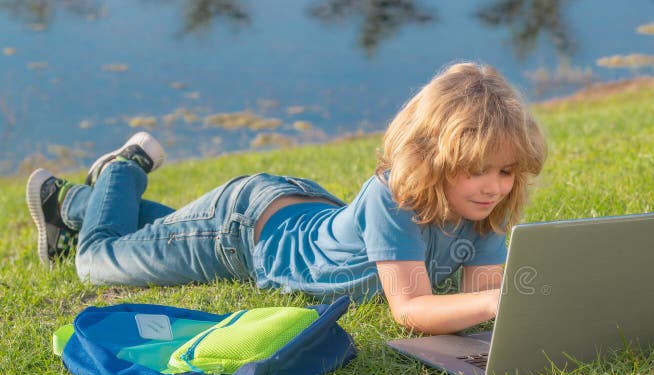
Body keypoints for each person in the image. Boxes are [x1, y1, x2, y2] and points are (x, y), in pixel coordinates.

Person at [26, 62, 547, 335]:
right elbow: (409, 308)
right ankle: (123, 168)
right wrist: (490, 302)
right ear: (432, 158)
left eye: (505, 171)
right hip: (239, 232)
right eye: (477, 170)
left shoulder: (487, 208)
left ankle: (66, 204)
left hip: (298, 213)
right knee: (96, 262)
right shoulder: (396, 198)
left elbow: (482, 297)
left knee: (147, 237)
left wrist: (506, 305)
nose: (494, 186)